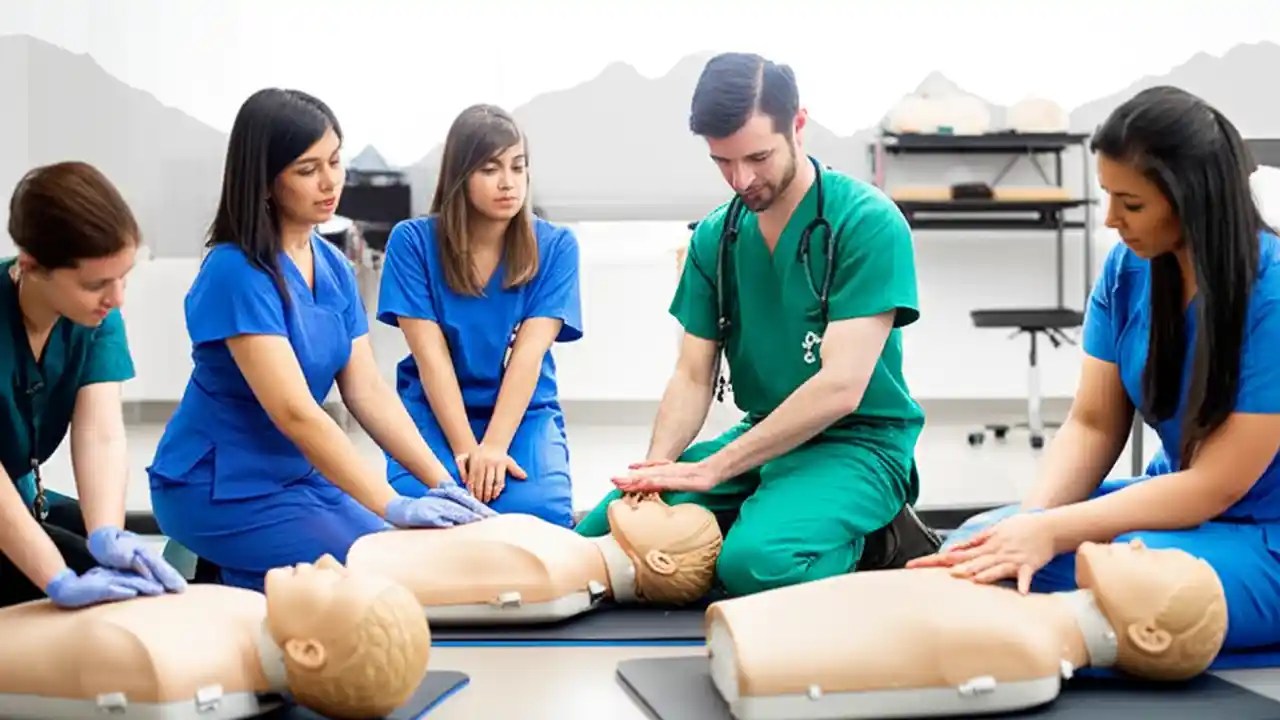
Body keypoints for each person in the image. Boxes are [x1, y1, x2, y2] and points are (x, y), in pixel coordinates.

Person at [908, 86, 1280, 657]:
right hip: (1174, 502)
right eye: (1107, 197)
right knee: (976, 549)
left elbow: (1216, 485)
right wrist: (1032, 524)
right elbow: (1093, 424)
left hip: (1262, 532)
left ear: (1192, 199)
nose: (1111, 220)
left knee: (1131, 582)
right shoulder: (1128, 269)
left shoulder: (1271, 294)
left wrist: (1053, 534)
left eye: (1131, 205)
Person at [573, 53, 926, 598]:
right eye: (722, 161)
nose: (741, 179)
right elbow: (692, 376)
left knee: (755, 566)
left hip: (859, 443)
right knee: (603, 532)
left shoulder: (867, 223)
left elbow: (841, 388)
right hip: (765, 435)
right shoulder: (716, 240)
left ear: (798, 126)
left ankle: (878, 540)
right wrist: (658, 473)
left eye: (757, 157)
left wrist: (714, 469)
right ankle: (765, 518)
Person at [147, 88, 495, 594]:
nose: (330, 180)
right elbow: (296, 412)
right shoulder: (235, 271)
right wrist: (391, 503)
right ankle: (220, 573)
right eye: (308, 169)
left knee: (402, 550)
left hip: (296, 475)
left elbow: (367, 391)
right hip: (218, 486)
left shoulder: (332, 265)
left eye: (335, 160)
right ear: (265, 181)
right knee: (380, 572)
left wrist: (441, 483)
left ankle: (239, 578)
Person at [377, 104, 583, 528]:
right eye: (490, 169)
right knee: (434, 509)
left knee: (539, 514)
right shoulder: (412, 243)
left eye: (518, 167)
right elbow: (431, 360)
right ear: (460, 175)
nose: (509, 183)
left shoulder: (557, 246)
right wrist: (467, 452)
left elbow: (528, 356)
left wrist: (494, 446)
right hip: (435, 410)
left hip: (520, 412)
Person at [0, 161, 186, 609]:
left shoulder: (95, 316)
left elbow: (99, 435)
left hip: (21, 499)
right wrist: (56, 579)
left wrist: (107, 536)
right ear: (32, 265)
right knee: (58, 589)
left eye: (124, 276)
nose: (117, 298)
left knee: (126, 579)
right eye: (96, 284)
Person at [0, 554, 431, 719]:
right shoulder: (251, 613)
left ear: (305, 650)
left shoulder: (162, 667)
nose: (325, 561)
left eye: (336, 582)